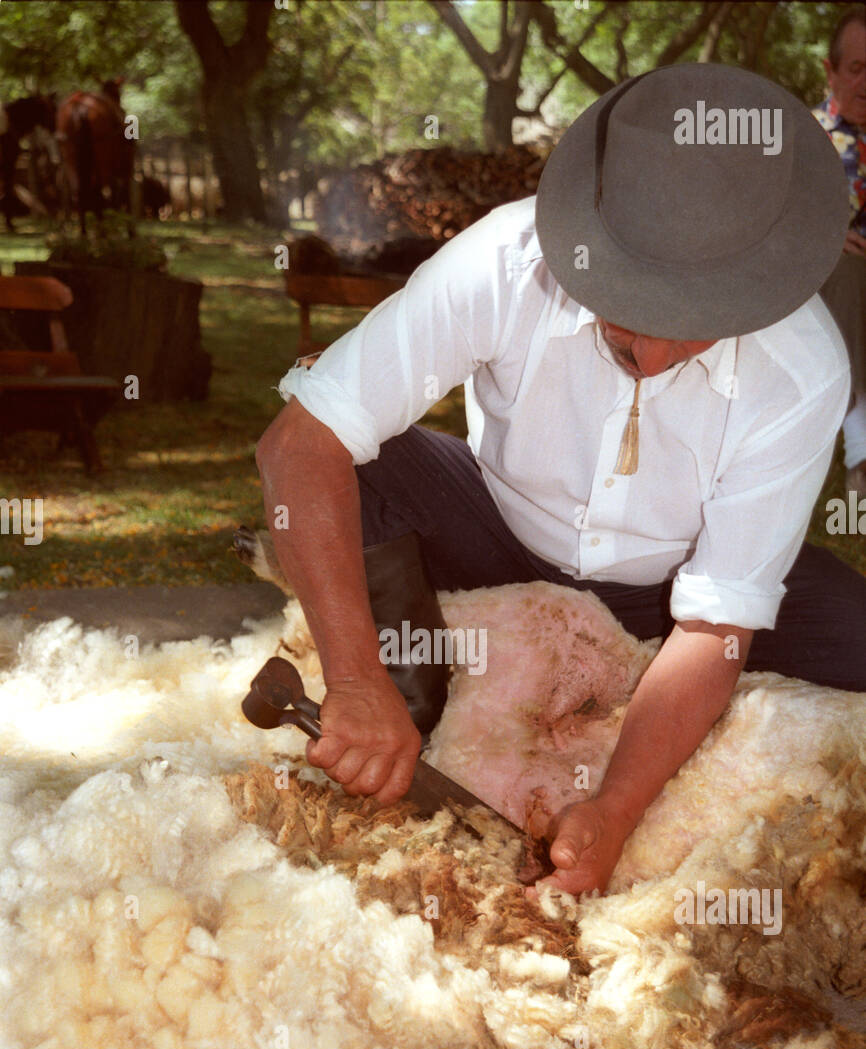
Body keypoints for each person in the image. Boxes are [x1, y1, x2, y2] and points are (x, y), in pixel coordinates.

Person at [256, 62, 862, 898]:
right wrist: (353, 677)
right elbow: (299, 443)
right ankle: (398, 702)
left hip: (670, 587)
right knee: (367, 465)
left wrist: (614, 809)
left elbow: (715, 623)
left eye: (690, 327)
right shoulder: (504, 259)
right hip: (494, 532)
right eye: (628, 315)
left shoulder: (803, 366)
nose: (649, 358)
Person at [813, 5, 866, 499]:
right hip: (820, 284)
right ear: (830, 71)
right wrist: (822, 237)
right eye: (857, 69)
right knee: (849, 272)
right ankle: (860, 453)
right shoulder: (797, 138)